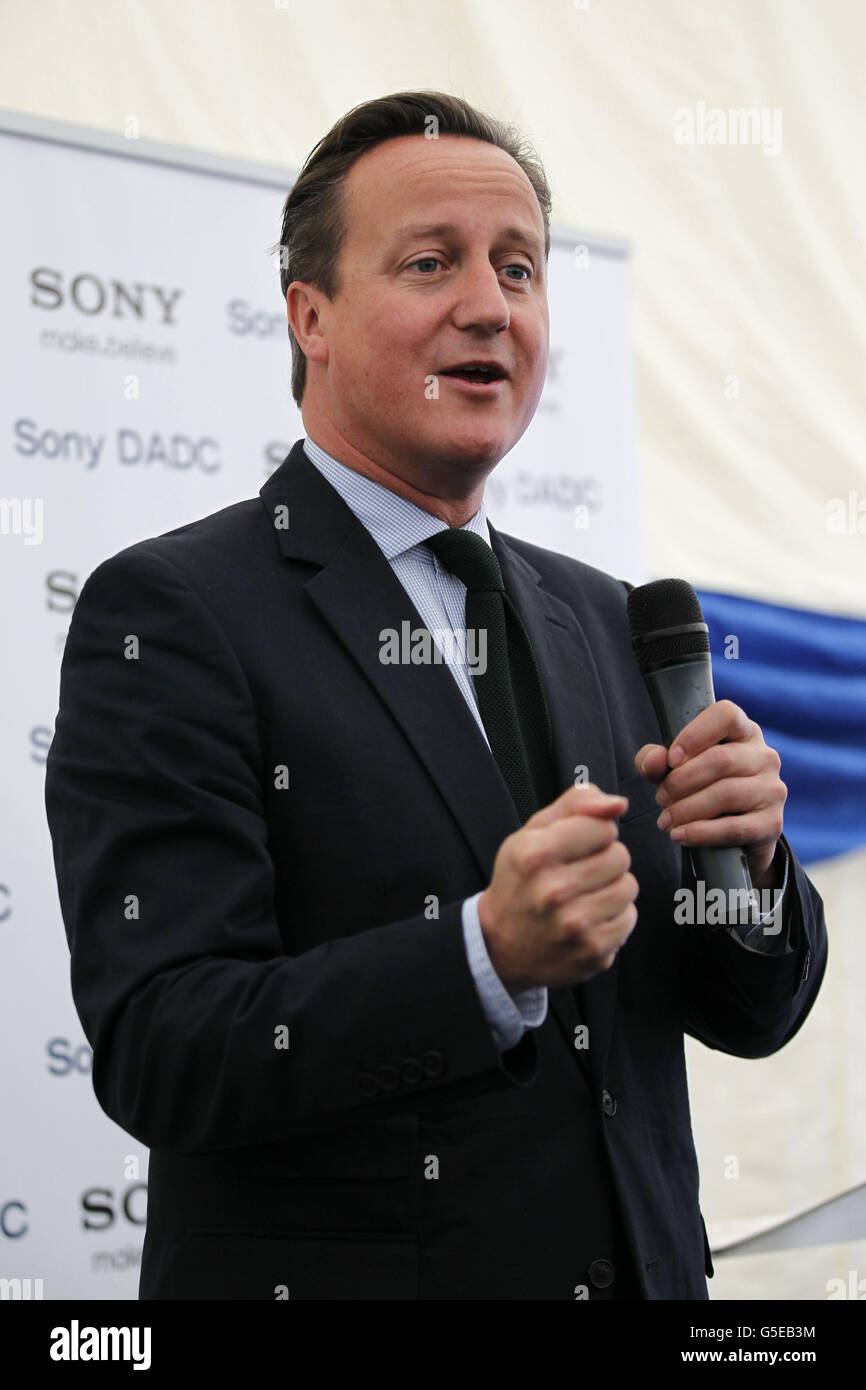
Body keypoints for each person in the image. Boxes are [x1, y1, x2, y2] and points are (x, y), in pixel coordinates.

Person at [44, 91, 827, 1301]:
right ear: (310, 314)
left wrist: (753, 872)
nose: (488, 305)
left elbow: (742, 1012)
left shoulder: (613, 621)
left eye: (519, 269)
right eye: (431, 263)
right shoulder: (174, 612)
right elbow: (164, 1047)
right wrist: (479, 956)